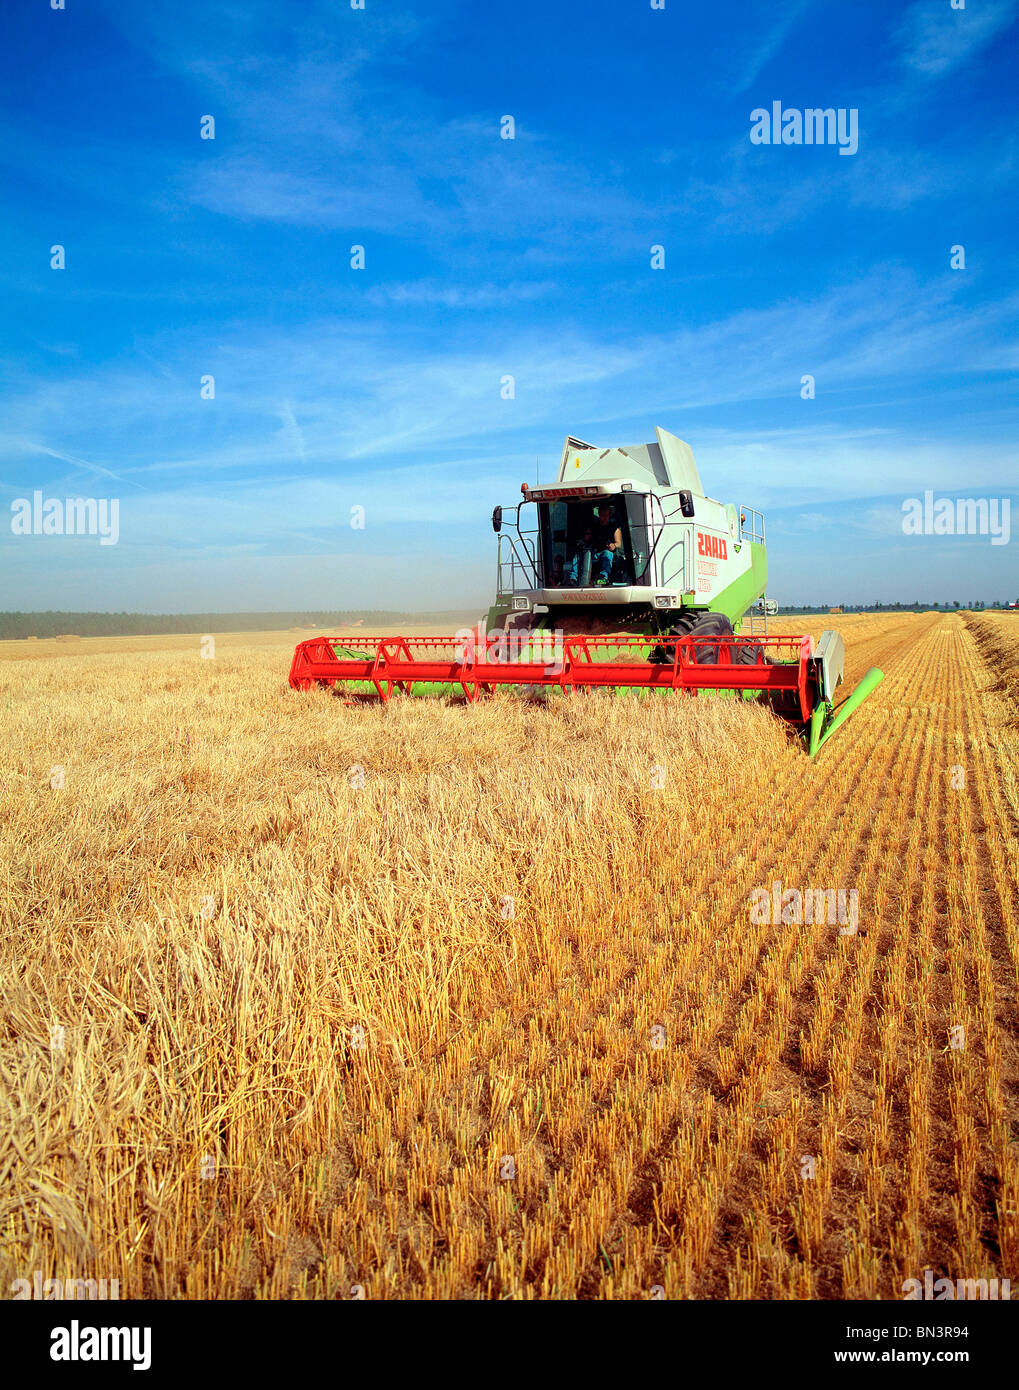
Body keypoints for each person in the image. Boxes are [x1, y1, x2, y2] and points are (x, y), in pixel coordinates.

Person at [592, 504, 623, 585]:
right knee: (579, 555)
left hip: (607, 552)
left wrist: (614, 545)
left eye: (606, 515)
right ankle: (573, 579)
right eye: (602, 515)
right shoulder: (594, 527)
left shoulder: (614, 528)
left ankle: (603, 578)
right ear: (599, 515)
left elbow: (618, 543)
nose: (604, 517)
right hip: (594, 552)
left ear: (609, 515)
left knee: (607, 554)